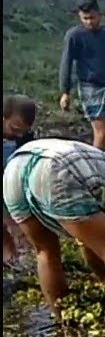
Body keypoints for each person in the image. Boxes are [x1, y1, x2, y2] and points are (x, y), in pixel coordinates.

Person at [3, 138, 105, 332]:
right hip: (55, 167)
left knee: (46, 252)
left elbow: (85, 241)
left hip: (14, 169)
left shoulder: (98, 169)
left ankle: (66, 323)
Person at [59, 0, 105, 152]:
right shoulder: (74, 36)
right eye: (85, 18)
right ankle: (94, 164)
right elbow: (67, 63)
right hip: (89, 87)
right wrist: (65, 91)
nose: (89, 22)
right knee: (101, 131)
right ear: (80, 17)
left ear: (99, 15)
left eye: (92, 18)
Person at [3, 95, 40, 266]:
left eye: (23, 131)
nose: (18, 134)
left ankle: (26, 252)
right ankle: (8, 253)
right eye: (15, 128)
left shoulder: (24, 136)